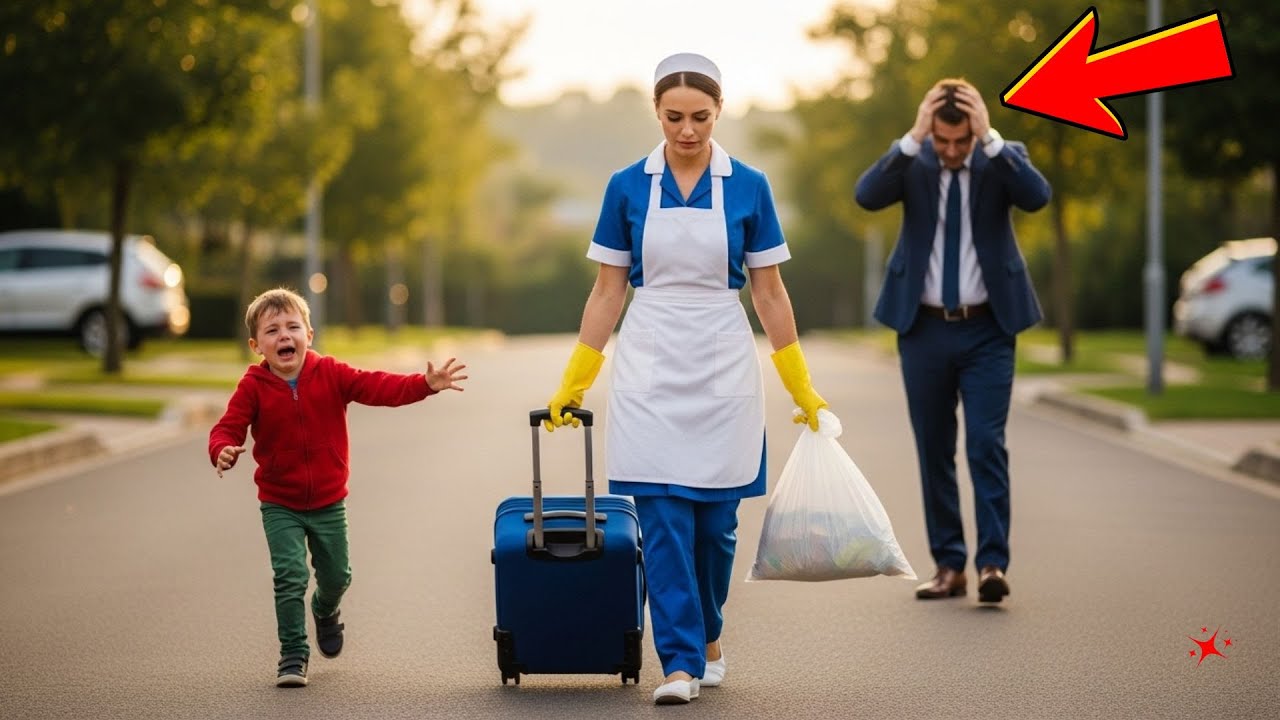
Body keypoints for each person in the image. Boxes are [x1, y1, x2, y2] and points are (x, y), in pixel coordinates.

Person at [544, 52, 828, 705]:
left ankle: (708, 638)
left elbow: (771, 293)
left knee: (715, 527)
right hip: (649, 357)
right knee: (662, 518)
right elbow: (608, 292)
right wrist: (576, 380)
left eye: (700, 117)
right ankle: (677, 663)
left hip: (723, 356)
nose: (688, 130)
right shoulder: (626, 186)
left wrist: (800, 384)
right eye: (674, 117)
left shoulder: (750, 185)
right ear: (656, 113)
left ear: (719, 111)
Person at [208, 287, 467, 687]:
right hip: (280, 502)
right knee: (290, 574)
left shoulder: (330, 373)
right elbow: (228, 426)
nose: (284, 336)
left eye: (293, 327)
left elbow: (380, 387)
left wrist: (425, 384)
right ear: (256, 345)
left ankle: (325, 609)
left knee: (337, 576)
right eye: (272, 330)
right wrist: (222, 448)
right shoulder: (253, 386)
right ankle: (293, 654)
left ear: (309, 335)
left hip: (329, 501)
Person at [854, 79, 1050, 604]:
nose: (952, 151)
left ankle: (991, 565)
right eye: (944, 140)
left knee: (986, 444)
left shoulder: (1000, 157)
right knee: (934, 448)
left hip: (989, 328)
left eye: (961, 141)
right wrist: (914, 136)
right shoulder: (915, 160)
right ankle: (949, 565)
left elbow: (1038, 197)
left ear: (974, 129)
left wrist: (989, 139)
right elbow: (866, 195)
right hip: (924, 329)